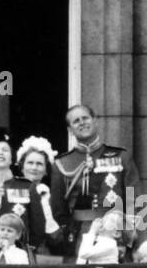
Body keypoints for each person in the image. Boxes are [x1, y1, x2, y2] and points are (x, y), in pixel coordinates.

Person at [49, 106, 141, 260]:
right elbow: (58, 209)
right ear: (70, 130)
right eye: (76, 121)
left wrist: (128, 233)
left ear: (95, 121)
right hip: (80, 235)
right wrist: (71, 231)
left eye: (85, 118)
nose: (82, 123)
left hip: (114, 232)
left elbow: (133, 197)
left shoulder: (120, 156)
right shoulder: (62, 163)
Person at [17, 136, 63, 256]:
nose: (34, 168)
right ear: (22, 167)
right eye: (30, 163)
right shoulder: (12, 190)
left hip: (43, 251)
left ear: (46, 170)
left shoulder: (50, 196)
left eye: (39, 164)